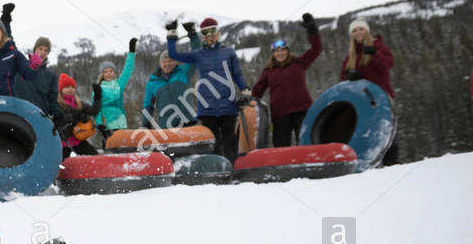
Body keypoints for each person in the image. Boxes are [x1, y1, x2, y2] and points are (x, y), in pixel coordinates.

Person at [166, 17, 252, 162]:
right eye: (206, 33)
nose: (210, 36)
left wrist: (245, 89)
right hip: (206, 107)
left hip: (228, 106)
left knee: (230, 142)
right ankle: (217, 174)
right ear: (203, 36)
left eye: (213, 31)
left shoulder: (229, 52)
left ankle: (233, 173)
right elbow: (174, 54)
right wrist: (172, 33)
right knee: (213, 143)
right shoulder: (199, 54)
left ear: (218, 32)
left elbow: (237, 74)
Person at [250, 13, 323, 147]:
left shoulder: (299, 63)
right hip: (280, 115)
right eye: (276, 51)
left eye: (283, 50)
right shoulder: (269, 71)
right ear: (273, 54)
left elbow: (317, 49)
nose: (280, 53)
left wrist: (312, 30)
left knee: (307, 143)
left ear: (287, 51)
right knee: (281, 146)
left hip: (302, 110)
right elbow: (258, 90)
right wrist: (248, 98)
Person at [339, 18, 397, 164]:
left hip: (382, 97)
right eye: (354, 30)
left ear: (367, 30)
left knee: (386, 132)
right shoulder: (350, 56)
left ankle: (392, 165)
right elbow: (342, 78)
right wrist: (350, 78)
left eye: (361, 29)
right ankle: (369, 167)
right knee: (367, 133)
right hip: (362, 101)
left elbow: (388, 64)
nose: (358, 32)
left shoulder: (378, 45)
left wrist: (375, 54)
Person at [0, 4, 60, 115]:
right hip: (18, 115)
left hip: (39, 117)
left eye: (46, 50)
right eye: (40, 48)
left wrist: (58, 116)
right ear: (35, 49)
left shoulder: (50, 76)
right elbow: (8, 43)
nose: (43, 52)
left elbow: (53, 101)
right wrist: (5, 20)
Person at [142, 21, 203, 128]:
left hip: (189, 123)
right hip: (166, 127)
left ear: (176, 62)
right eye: (164, 61)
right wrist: (146, 124)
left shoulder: (184, 72)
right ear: (160, 64)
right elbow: (148, 106)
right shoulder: (152, 83)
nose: (167, 64)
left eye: (170, 60)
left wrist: (193, 35)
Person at [51, 73, 104, 156]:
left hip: (77, 140)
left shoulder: (78, 103)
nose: (70, 89)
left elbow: (93, 111)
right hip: (63, 142)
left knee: (94, 155)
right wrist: (75, 116)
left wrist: (97, 97)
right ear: (61, 89)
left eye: (72, 87)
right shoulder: (57, 104)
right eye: (67, 87)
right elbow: (56, 119)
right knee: (61, 163)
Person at [94, 40, 137, 134]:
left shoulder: (118, 85)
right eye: (106, 71)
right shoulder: (99, 88)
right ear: (102, 74)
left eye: (111, 71)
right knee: (109, 147)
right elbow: (95, 108)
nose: (109, 73)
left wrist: (132, 52)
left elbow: (128, 70)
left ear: (114, 73)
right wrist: (99, 124)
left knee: (124, 147)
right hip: (107, 125)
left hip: (121, 123)